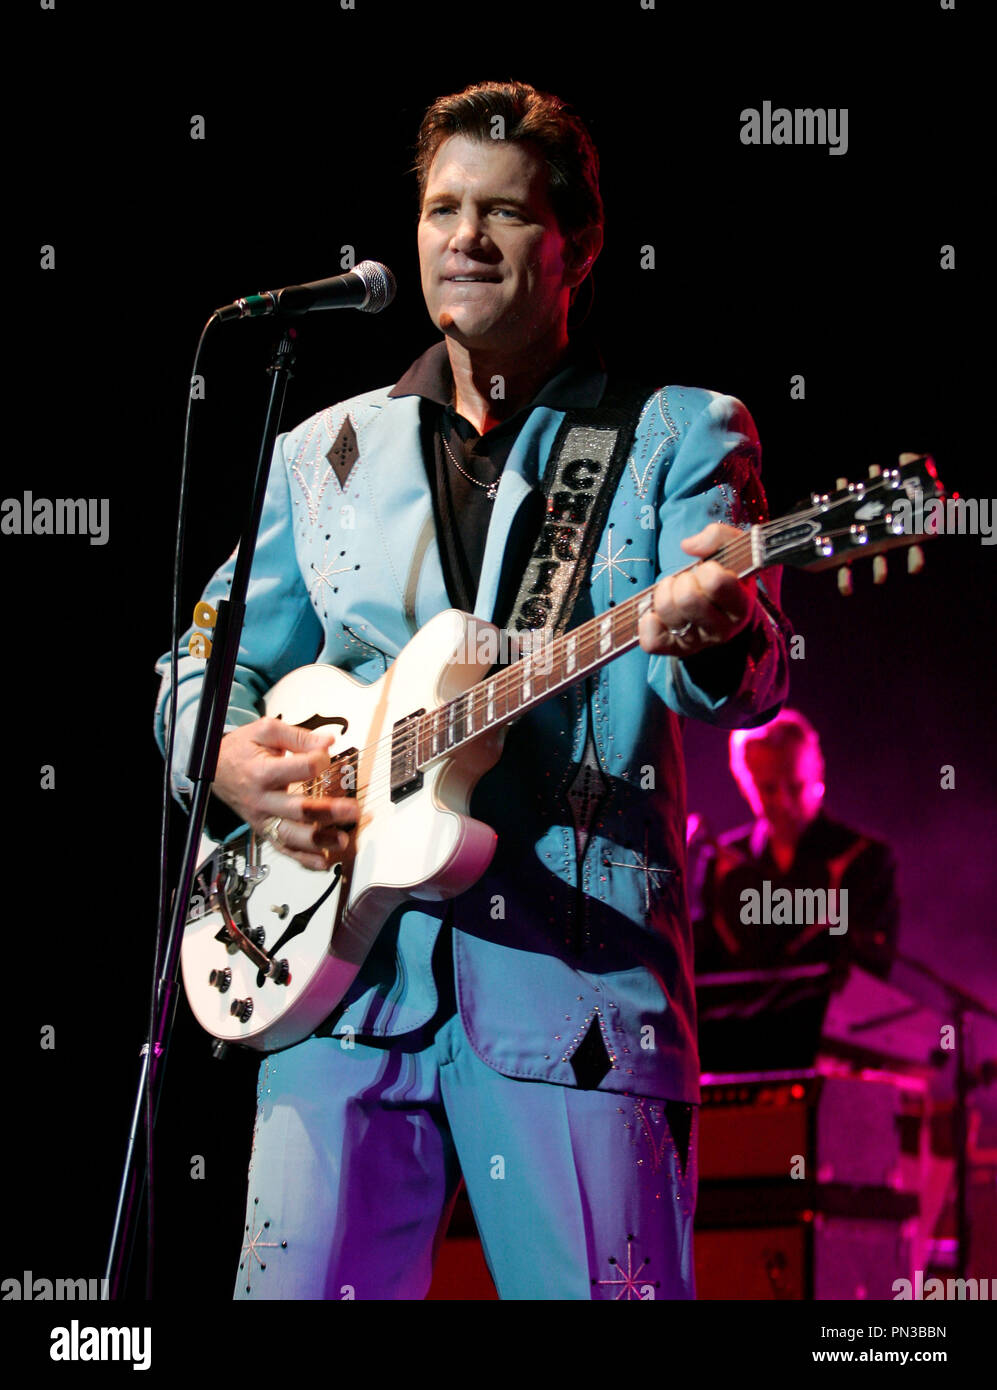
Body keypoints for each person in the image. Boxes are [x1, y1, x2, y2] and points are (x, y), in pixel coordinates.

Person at [155, 80, 791, 1300]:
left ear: (580, 245)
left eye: (502, 212)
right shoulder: (320, 454)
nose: (464, 237)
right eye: (442, 208)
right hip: (334, 987)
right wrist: (228, 757)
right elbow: (199, 659)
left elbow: (744, 681)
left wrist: (716, 629)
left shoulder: (675, 435)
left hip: (578, 992)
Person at [691, 709, 899, 1067]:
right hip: (732, 1059)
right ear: (744, 782)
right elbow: (700, 973)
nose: (782, 802)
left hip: (830, 1061)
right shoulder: (719, 862)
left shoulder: (866, 860)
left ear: (818, 773)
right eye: (767, 788)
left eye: (796, 786)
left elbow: (869, 978)